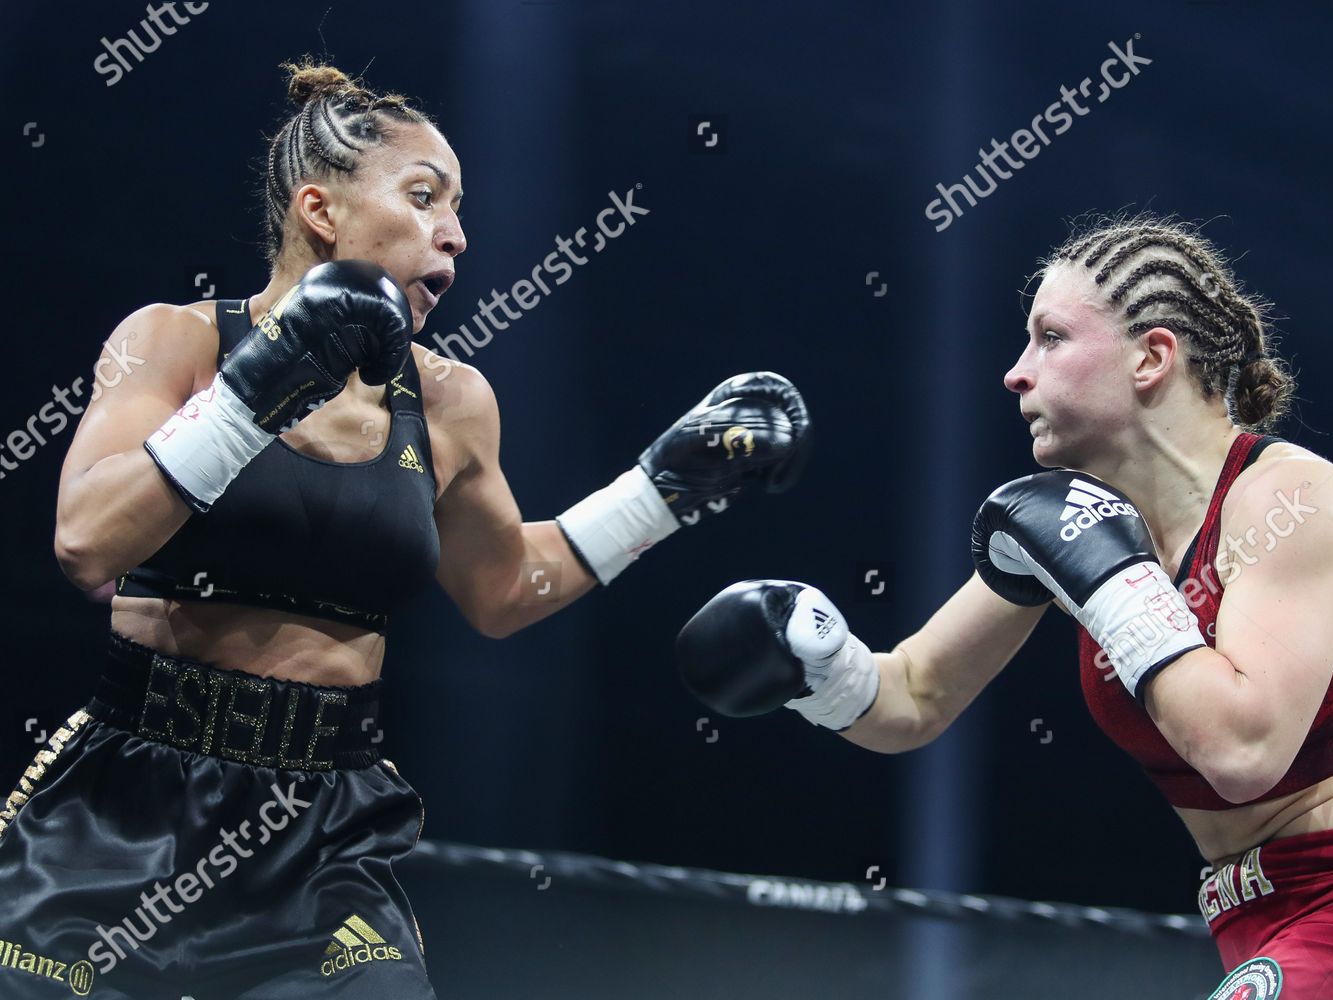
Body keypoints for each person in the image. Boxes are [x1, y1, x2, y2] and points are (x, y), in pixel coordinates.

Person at [0, 61, 810, 999]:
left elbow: (506, 590)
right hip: (120, 809)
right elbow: (87, 539)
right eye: (424, 198)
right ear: (321, 210)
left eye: (459, 208)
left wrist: (666, 484)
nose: (456, 235)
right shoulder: (176, 340)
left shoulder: (454, 402)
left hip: (319, 832)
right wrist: (261, 384)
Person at [675, 213, 1333, 998]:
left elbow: (1243, 751)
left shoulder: (1292, 499)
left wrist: (1110, 580)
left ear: (1152, 358)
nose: (1016, 370)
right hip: (1263, 928)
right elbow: (914, 698)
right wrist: (818, 662)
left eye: (1051, 337)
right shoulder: (1086, 521)